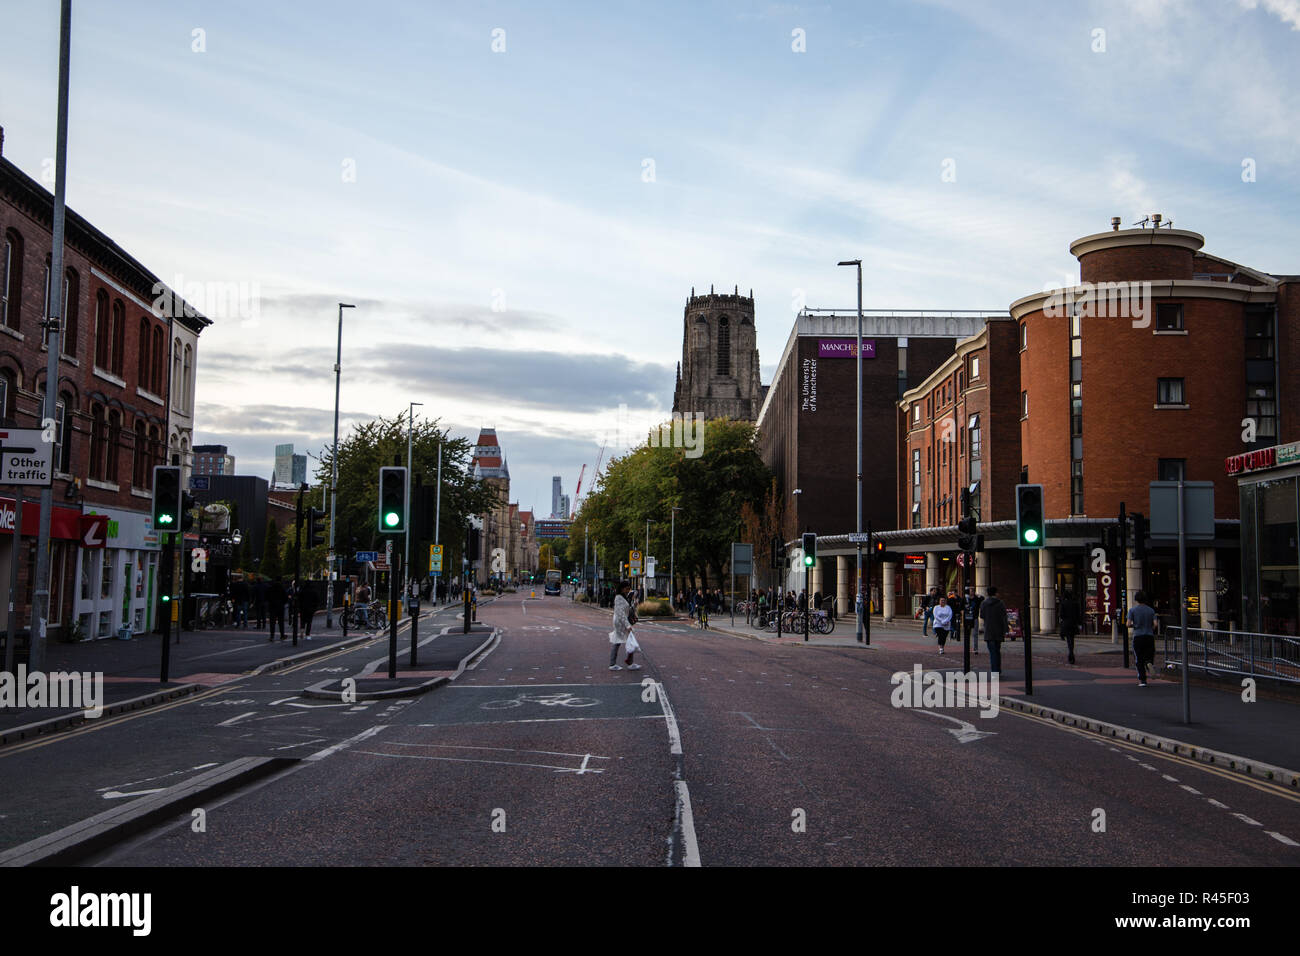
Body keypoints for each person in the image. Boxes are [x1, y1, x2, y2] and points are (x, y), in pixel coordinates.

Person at [1127, 590, 1159, 686]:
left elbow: (1128, 624)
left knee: (1139, 658)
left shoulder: (1132, 610)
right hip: (1149, 636)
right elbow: (1155, 624)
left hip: (1138, 636)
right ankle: (1149, 664)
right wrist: (1150, 627)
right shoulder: (1151, 610)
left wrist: (1135, 625)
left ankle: (1143, 680)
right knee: (1149, 655)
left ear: (1136, 599)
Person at [980, 586, 1008, 674]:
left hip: (989, 630)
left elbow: (982, 615)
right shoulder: (1000, 603)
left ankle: (994, 671)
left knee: (992, 652)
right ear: (996, 593)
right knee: (997, 651)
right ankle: (998, 670)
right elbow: (1004, 615)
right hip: (999, 630)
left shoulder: (984, 603)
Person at [609, 580, 634, 671]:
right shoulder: (619, 598)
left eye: (629, 589)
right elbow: (621, 613)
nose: (628, 590)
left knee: (628, 641)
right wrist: (627, 625)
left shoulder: (623, 597)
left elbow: (626, 609)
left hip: (621, 622)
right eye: (627, 589)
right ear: (622, 588)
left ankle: (629, 662)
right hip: (620, 622)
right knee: (618, 641)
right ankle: (613, 664)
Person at [1059, 589, 1080, 665]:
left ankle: (1071, 653)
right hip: (1073, 623)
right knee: (1072, 639)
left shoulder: (1063, 603)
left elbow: (1061, 615)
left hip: (1066, 623)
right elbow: (1078, 615)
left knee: (1069, 639)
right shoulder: (1075, 603)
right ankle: (1071, 653)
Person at [267, 577, 288, 641]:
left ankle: (272, 635)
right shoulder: (282, 588)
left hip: (272, 606)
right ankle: (282, 635)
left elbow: (267, 597)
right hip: (280, 606)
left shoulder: (271, 588)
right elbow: (285, 598)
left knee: (272, 622)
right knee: (281, 622)